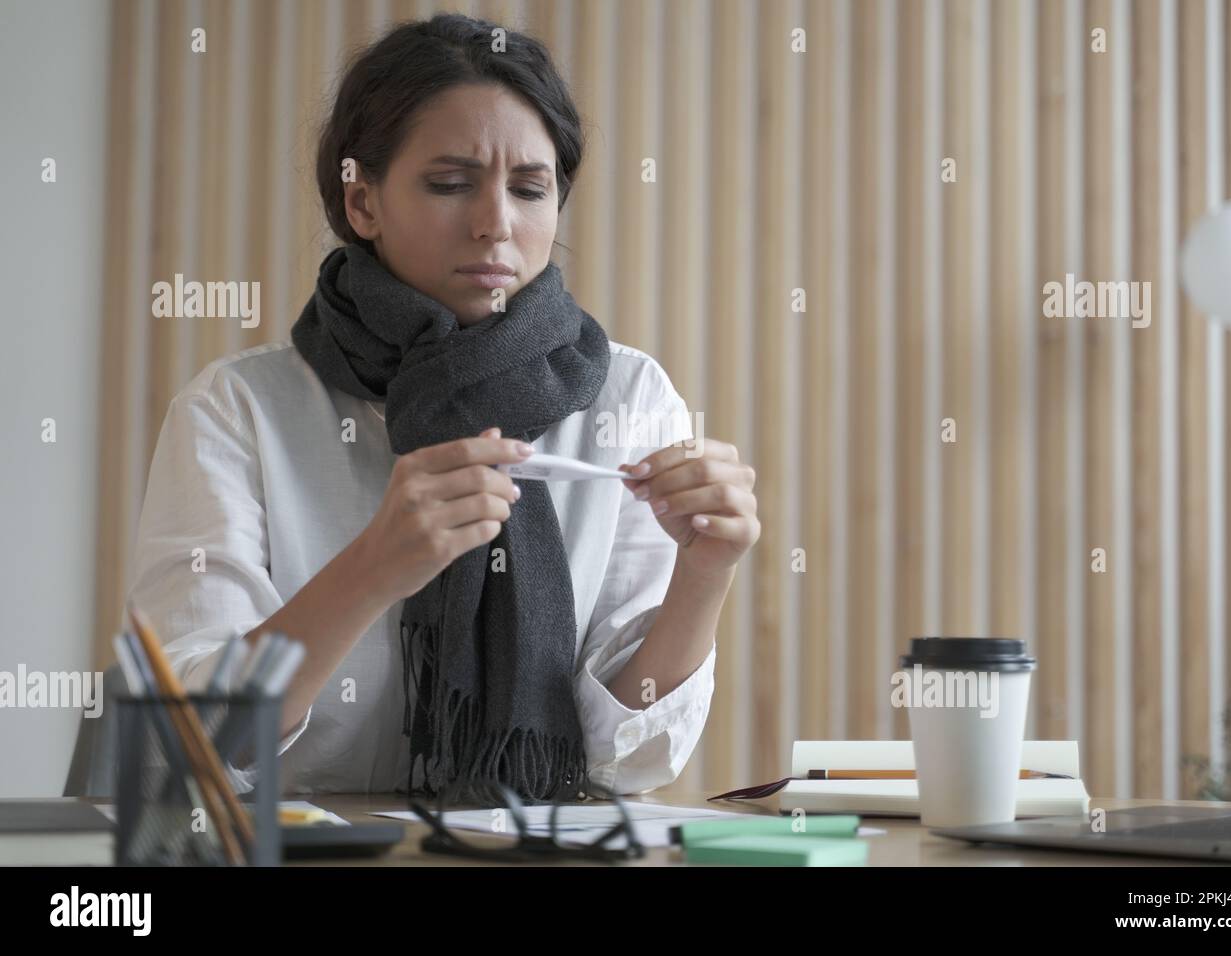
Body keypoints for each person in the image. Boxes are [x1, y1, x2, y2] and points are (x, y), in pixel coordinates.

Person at [123, 13, 759, 804]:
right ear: (363, 203)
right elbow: (187, 741)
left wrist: (706, 575)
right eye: (451, 183)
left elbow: (624, 760)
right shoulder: (239, 410)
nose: (497, 224)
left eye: (530, 189)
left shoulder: (630, 398)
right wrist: (370, 568)